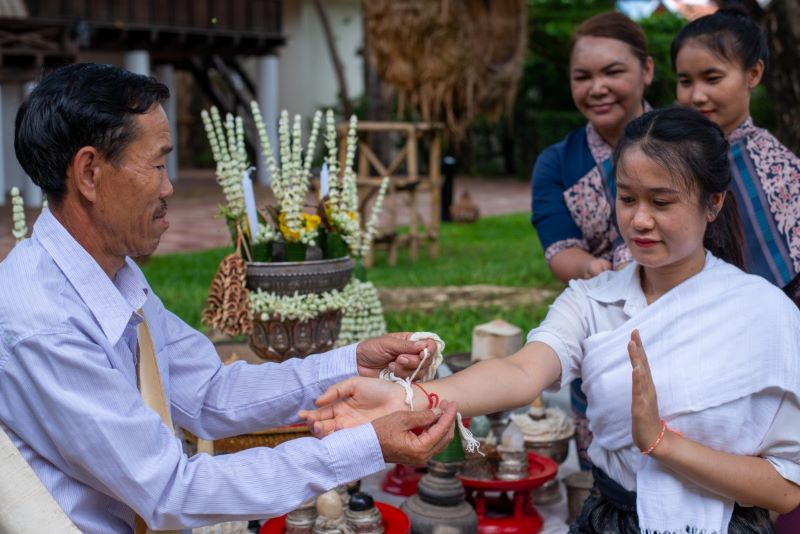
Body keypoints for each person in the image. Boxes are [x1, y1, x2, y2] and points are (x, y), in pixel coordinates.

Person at [0, 63, 457, 533]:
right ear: (90, 173)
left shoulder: (110, 276)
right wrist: (365, 445)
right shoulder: (44, 324)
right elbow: (171, 492)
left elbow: (209, 394)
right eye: (157, 164)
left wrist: (352, 364)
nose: (168, 187)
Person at [302, 108, 800, 533]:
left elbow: (784, 490)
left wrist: (662, 443)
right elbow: (521, 373)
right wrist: (403, 397)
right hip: (610, 517)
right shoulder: (592, 299)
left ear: (713, 203)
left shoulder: (763, 313)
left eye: (662, 202)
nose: (640, 220)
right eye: (628, 199)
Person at [530, 12, 655, 469]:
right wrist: (597, 272)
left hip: (681, 312)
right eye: (582, 77)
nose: (596, 87)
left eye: (612, 71)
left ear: (647, 70)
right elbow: (560, 250)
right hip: (601, 321)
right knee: (604, 469)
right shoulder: (557, 161)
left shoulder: (687, 142)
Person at [671, 7, 800, 305]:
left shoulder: (782, 171)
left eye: (712, 78)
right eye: (686, 82)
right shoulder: (668, 156)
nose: (697, 96)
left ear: (753, 73)